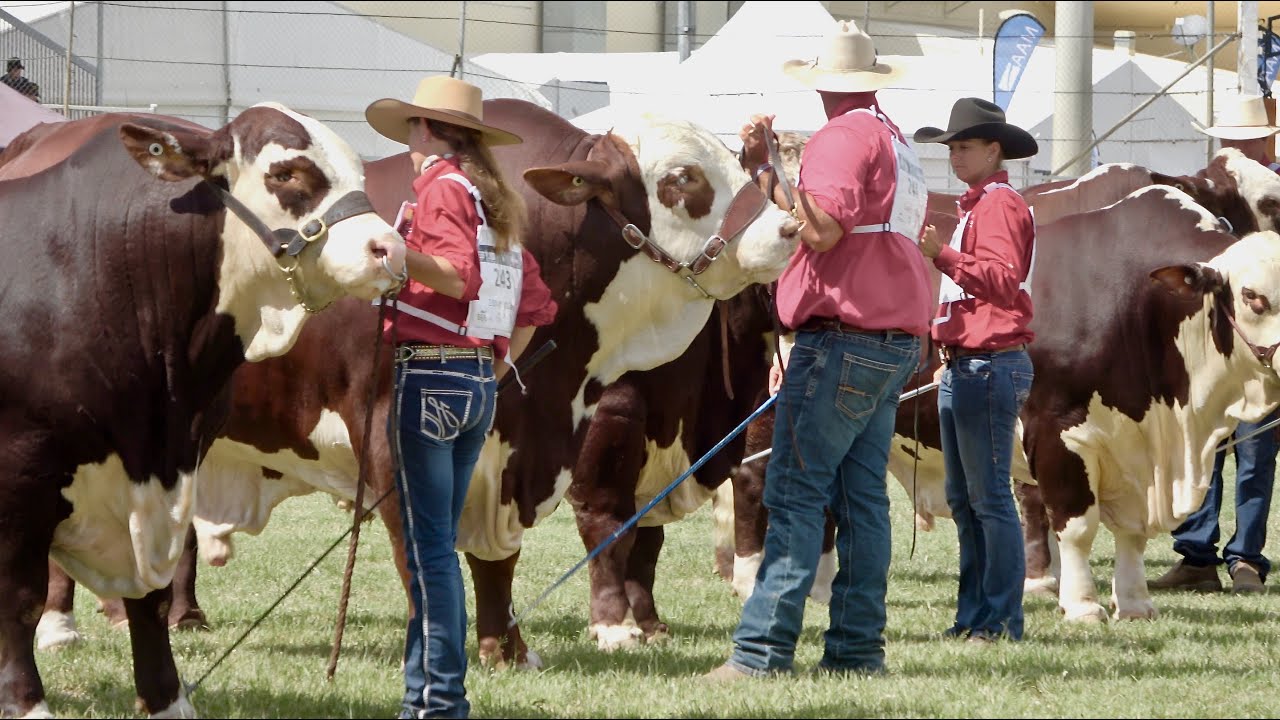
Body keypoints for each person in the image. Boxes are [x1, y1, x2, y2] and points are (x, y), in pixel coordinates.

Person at [704, 20, 933, 681]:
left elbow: (824, 229)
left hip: (842, 338)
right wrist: (767, 173)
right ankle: (859, 651)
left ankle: (761, 653)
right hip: (893, 338)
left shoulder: (839, 136)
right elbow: (838, 221)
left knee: (797, 491)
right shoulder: (891, 139)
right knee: (863, 499)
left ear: (823, 85)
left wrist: (773, 162)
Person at [365, 75, 558, 718]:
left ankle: (441, 702)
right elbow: (533, 307)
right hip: (474, 380)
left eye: (412, 129)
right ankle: (421, 697)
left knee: (431, 556)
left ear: (429, 132)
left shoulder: (443, 190)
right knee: (436, 547)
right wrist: (494, 369)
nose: (408, 141)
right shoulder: (491, 202)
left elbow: (454, 274)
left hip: (430, 378)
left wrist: (396, 256)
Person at [915, 97, 1038, 643]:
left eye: (963, 146)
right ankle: (977, 617)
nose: (955, 156)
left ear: (994, 150)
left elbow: (1001, 280)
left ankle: (999, 619)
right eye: (952, 148)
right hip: (971, 363)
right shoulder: (984, 204)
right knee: (969, 500)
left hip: (987, 363)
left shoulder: (999, 205)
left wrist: (943, 256)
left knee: (985, 498)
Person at [1149, 93, 1280, 594]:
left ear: (1262, 141)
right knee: (1209, 445)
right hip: (1216, 335)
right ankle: (1202, 557)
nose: (1235, 147)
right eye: (1232, 139)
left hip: (1259, 334)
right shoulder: (1208, 188)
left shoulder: (1261, 189)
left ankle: (1242, 557)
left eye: (1242, 139)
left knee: (1250, 450)